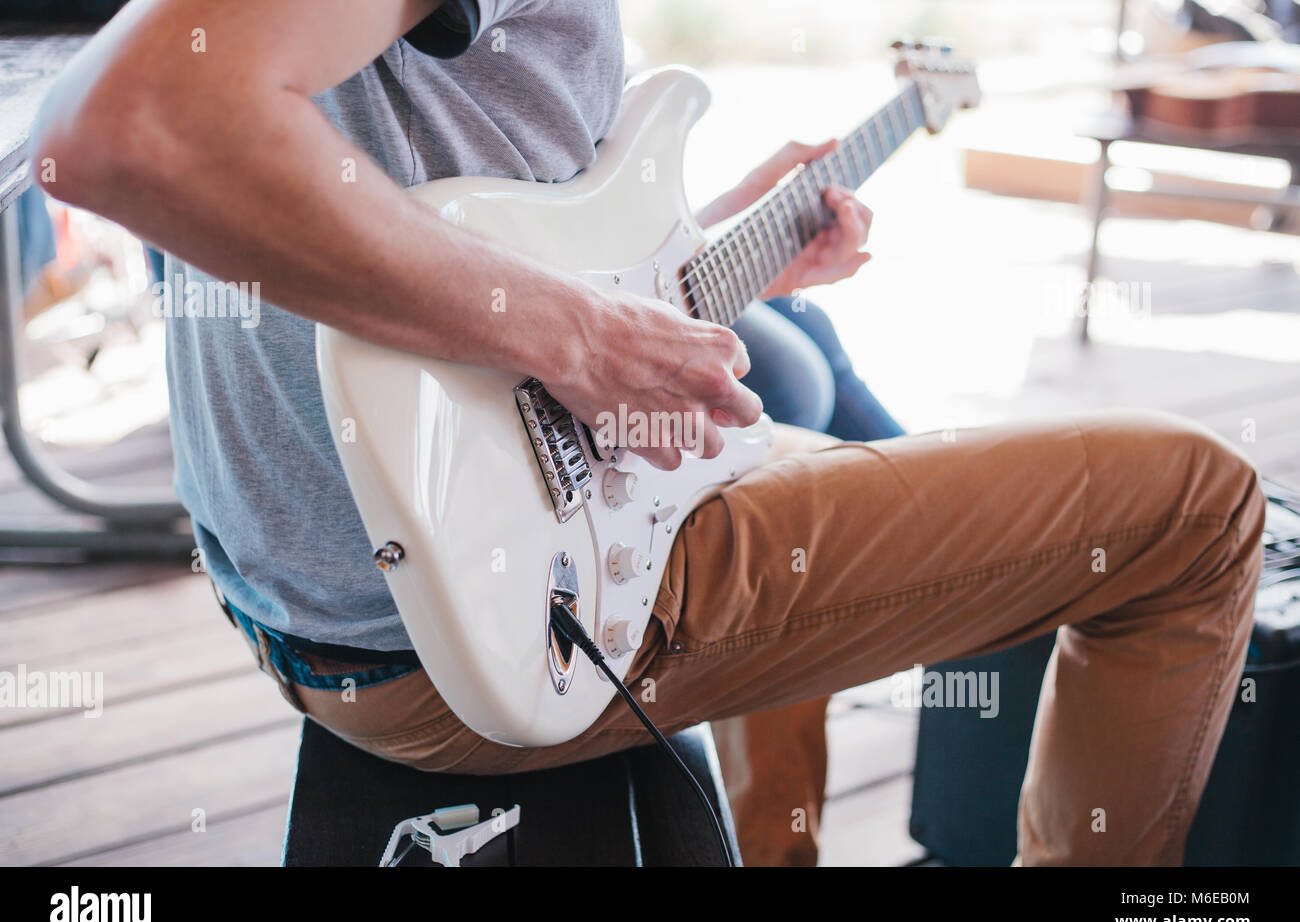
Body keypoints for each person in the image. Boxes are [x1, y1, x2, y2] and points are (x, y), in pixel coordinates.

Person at [33, 0, 1264, 866]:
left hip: (335, 599)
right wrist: (578, 339)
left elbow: (492, 223)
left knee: (794, 415)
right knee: (1195, 507)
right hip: (471, 619)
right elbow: (126, 127)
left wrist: (721, 244)